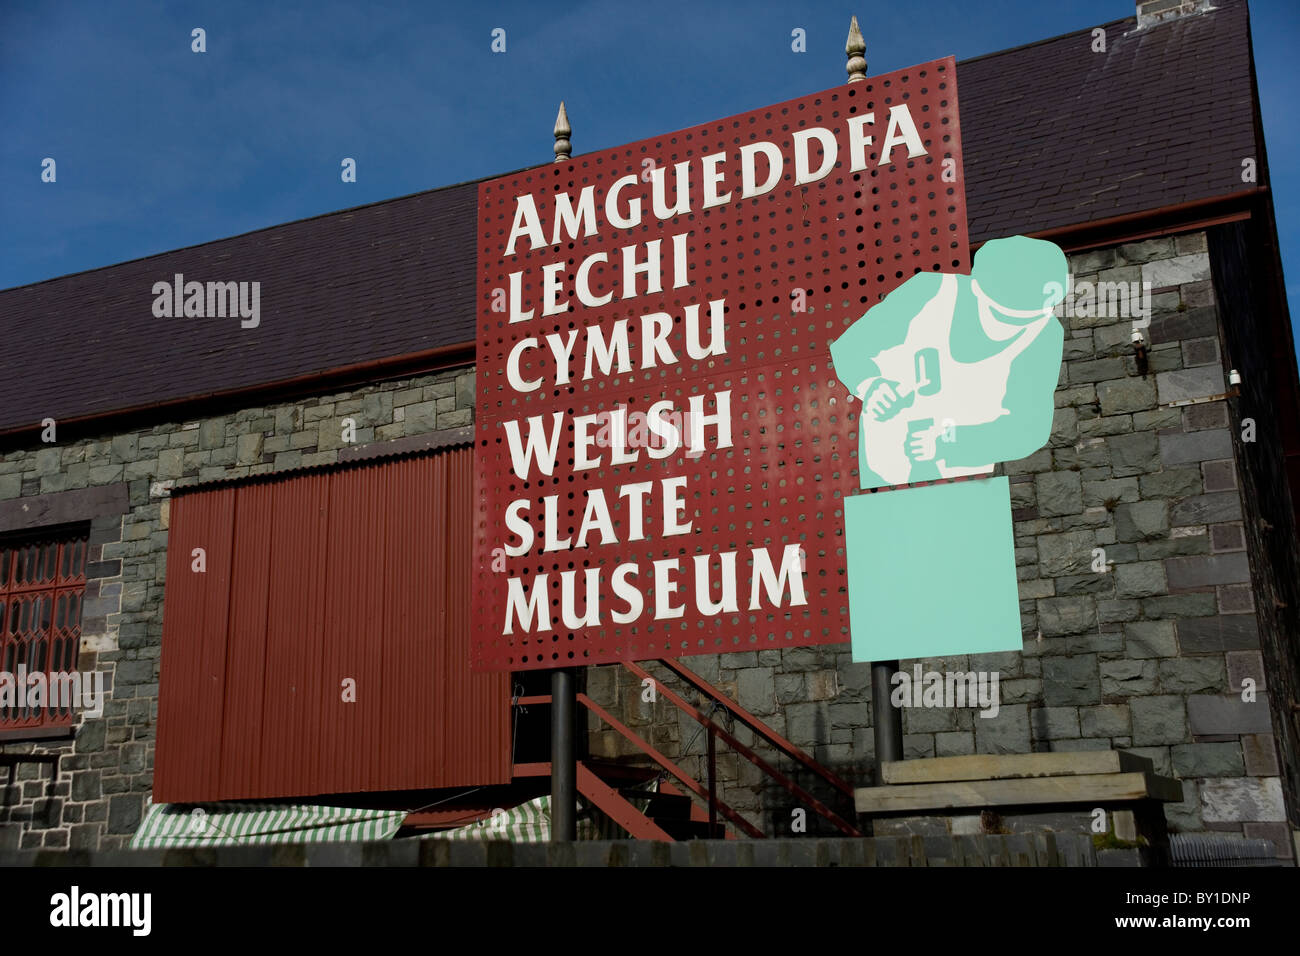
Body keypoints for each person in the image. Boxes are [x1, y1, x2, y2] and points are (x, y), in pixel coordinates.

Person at [830, 235, 1068, 489]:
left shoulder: (1044, 334)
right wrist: (871, 385)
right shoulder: (927, 293)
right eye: (998, 313)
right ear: (975, 288)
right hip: (888, 466)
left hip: (966, 477)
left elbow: (1028, 427)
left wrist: (948, 442)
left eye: (1023, 321)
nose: (1006, 329)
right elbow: (852, 346)